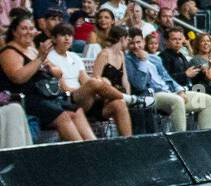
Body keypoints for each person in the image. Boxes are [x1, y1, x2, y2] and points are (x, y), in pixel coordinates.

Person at [0, 9, 96, 141]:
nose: (28, 32)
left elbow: (58, 73)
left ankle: (94, 147)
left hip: (45, 96)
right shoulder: (9, 51)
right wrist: (39, 60)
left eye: (31, 28)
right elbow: (18, 77)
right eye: (24, 28)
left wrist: (48, 66)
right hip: (26, 98)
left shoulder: (32, 49)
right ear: (14, 31)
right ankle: (82, 152)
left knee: (76, 110)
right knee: (63, 116)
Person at [49, 23, 137, 134]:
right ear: (54, 38)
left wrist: (99, 88)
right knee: (96, 82)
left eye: (70, 35)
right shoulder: (49, 58)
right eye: (63, 35)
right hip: (68, 99)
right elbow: (64, 88)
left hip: (86, 99)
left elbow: (85, 79)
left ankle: (128, 145)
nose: (67, 38)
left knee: (119, 103)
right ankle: (131, 99)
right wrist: (91, 88)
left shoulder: (74, 57)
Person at [124, 29, 211, 131]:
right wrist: (142, 62)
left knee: (207, 100)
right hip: (151, 95)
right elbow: (139, 85)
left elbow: (166, 77)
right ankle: (181, 140)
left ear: (143, 42)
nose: (136, 46)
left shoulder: (155, 59)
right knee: (177, 101)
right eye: (132, 43)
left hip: (169, 91)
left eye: (138, 42)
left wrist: (179, 90)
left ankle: (204, 138)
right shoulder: (128, 60)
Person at [89, 25, 137, 136]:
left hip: (118, 96)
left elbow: (125, 79)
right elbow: (96, 80)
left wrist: (128, 97)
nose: (128, 43)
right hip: (102, 99)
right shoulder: (104, 54)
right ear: (122, 38)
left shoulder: (121, 54)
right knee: (105, 81)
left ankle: (129, 140)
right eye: (128, 39)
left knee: (122, 103)